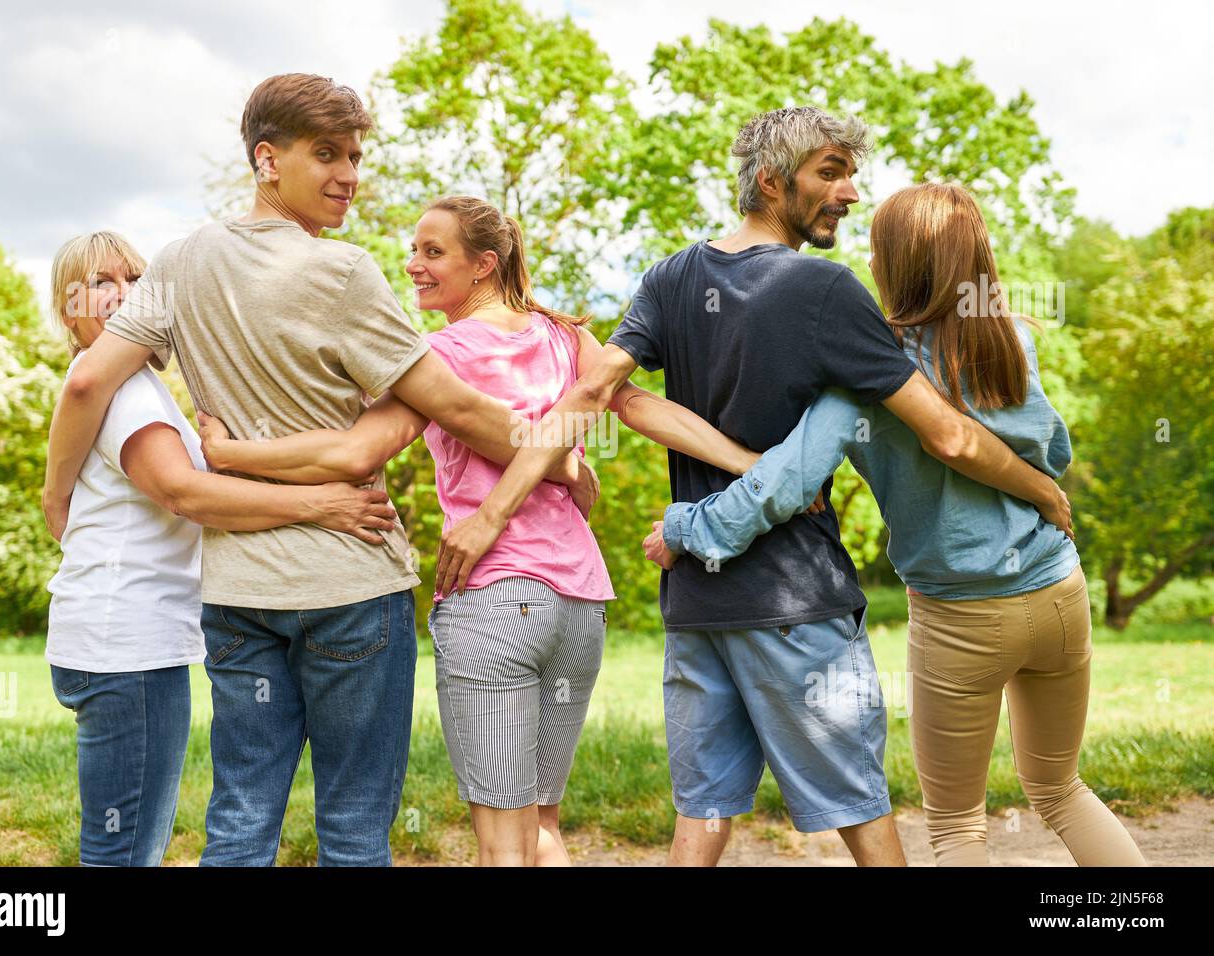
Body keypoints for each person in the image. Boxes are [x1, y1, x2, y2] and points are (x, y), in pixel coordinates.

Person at [435, 107, 1074, 867]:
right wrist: (1042, 489)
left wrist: (488, 518)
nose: (847, 193)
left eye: (850, 175)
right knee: (863, 811)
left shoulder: (670, 276)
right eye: (829, 173)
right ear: (772, 181)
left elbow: (595, 397)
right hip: (797, 601)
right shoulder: (829, 292)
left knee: (701, 816)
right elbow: (948, 434)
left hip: (699, 603)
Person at [42, 74, 598, 866]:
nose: (349, 175)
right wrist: (555, 456)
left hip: (237, 596)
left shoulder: (179, 260)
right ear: (267, 159)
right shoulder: (344, 272)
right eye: (327, 154)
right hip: (350, 588)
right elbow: (460, 410)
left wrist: (55, 491)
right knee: (352, 828)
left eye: (356, 156)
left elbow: (89, 379)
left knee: (239, 820)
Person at [198, 195, 761, 865]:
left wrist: (230, 455)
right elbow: (637, 406)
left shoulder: (436, 355)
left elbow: (353, 455)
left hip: (492, 594)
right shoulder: (562, 335)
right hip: (579, 605)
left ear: (484, 264)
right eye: (415, 251)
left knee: (501, 844)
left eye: (433, 253)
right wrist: (752, 467)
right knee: (543, 827)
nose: (413, 266)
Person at [652, 182, 1146, 867]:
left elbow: (786, 482)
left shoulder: (863, 370)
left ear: (891, 264)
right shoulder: (1011, 340)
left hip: (962, 615)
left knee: (956, 828)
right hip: (1058, 590)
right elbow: (1051, 452)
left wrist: (686, 527)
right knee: (1060, 788)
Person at [45, 230, 397, 866]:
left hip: (112, 636)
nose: (123, 295)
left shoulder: (122, 388)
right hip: (127, 643)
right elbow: (187, 495)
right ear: (68, 307)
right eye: (101, 283)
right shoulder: (125, 392)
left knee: (138, 840)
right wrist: (325, 504)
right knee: (124, 851)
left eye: (134, 280)